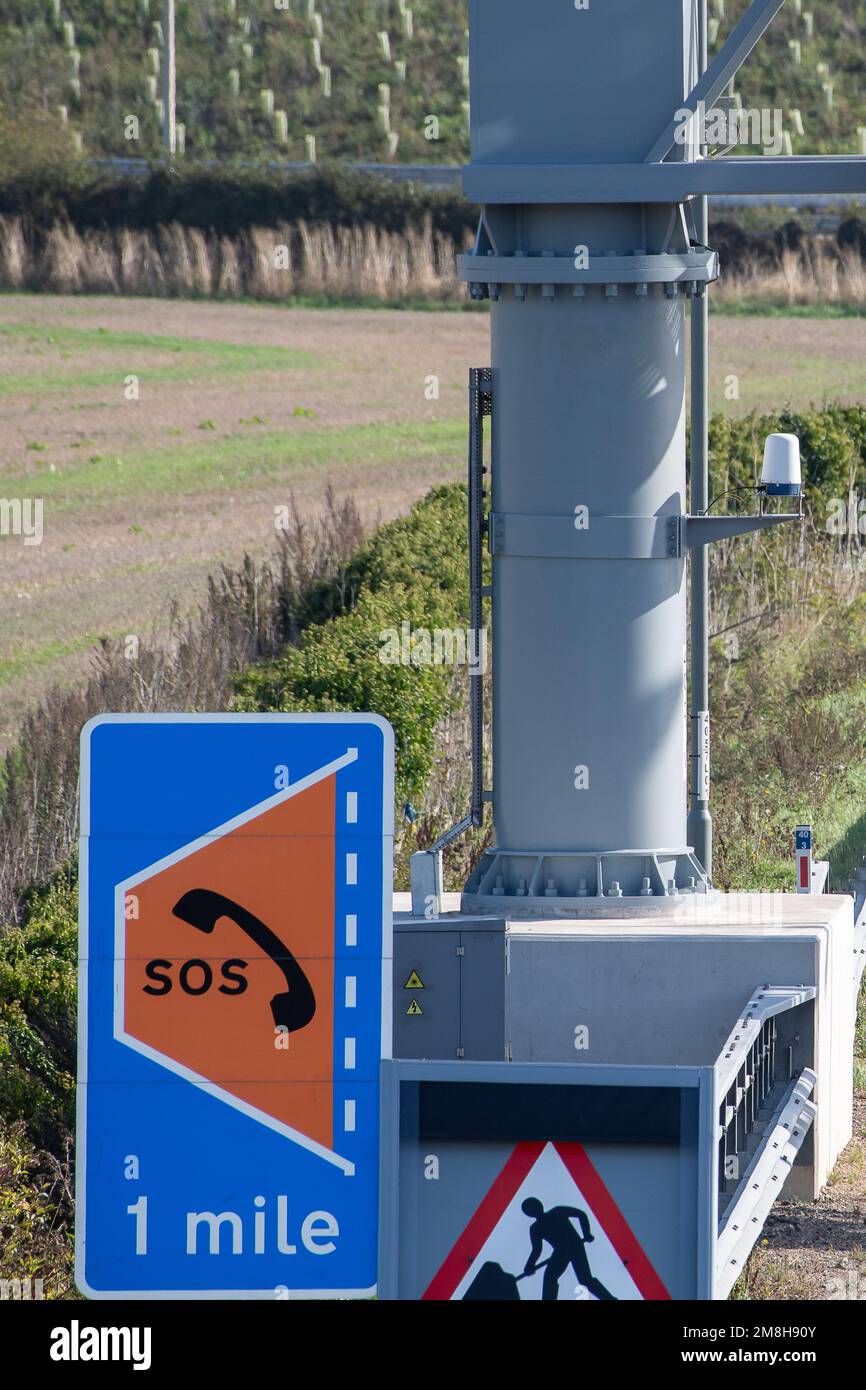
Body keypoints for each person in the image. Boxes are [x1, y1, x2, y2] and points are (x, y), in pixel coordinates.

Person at [521, 1197, 618, 1301]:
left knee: (585, 1279)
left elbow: (581, 1214)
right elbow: (537, 1249)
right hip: (561, 1252)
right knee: (550, 1278)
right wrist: (529, 1265)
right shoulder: (536, 1228)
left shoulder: (557, 1211)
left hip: (575, 1246)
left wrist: (586, 1233)